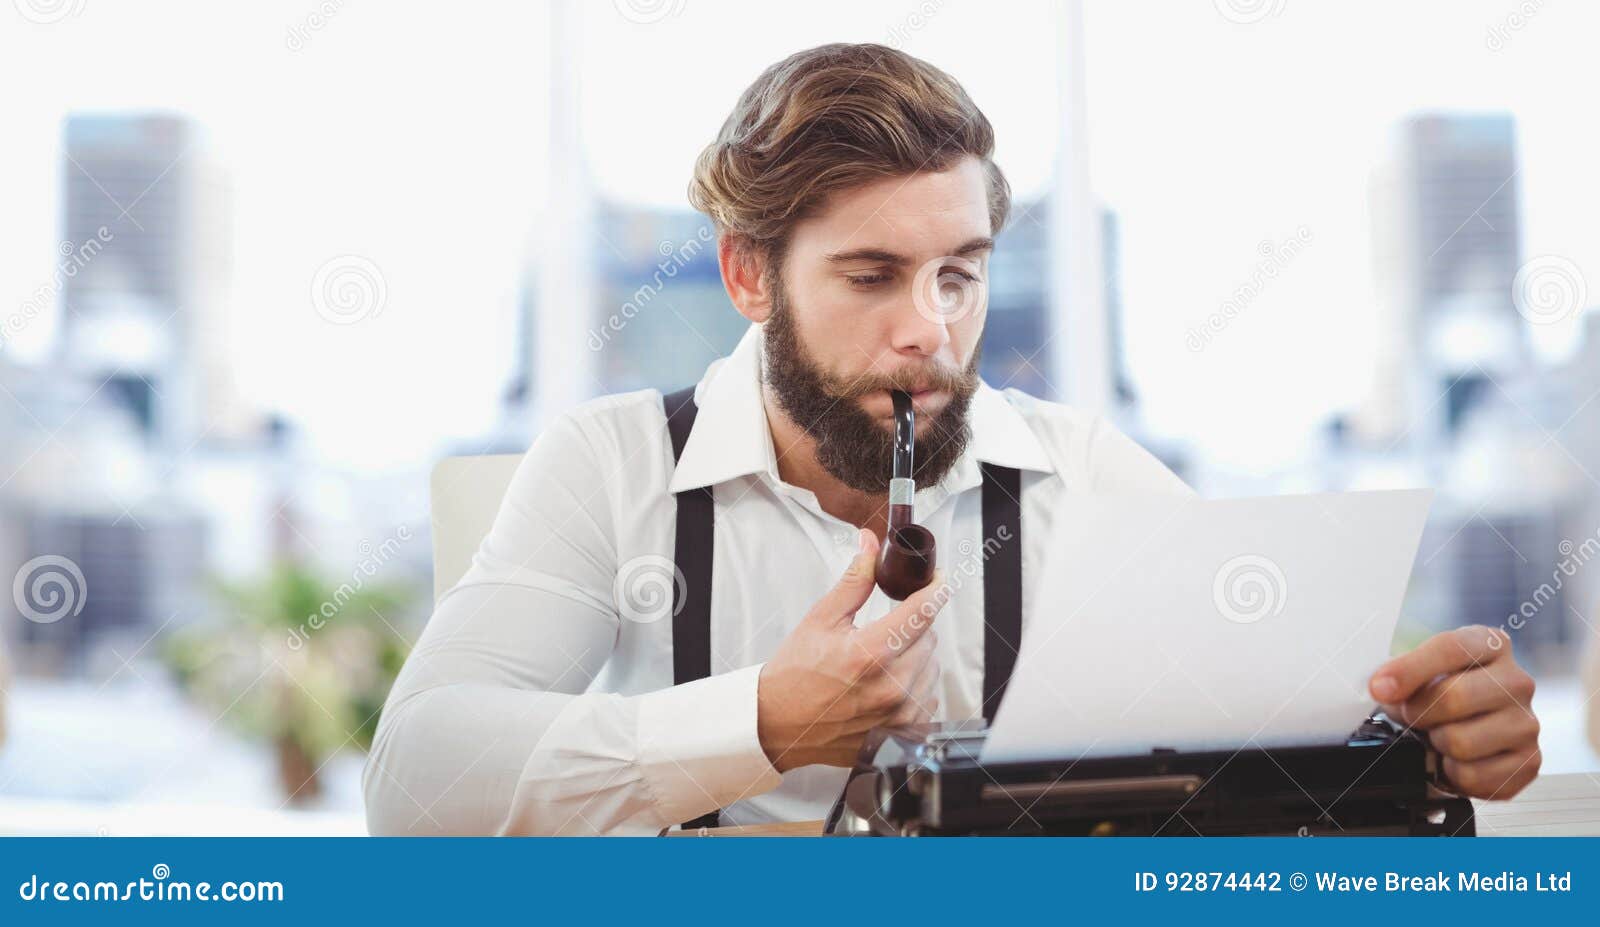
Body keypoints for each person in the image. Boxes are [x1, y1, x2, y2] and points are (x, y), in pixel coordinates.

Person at [363, 43, 1540, 836]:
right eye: (871, 275)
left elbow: (1293, 733)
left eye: (959, 277)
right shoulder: (614, 464)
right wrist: (757, 726)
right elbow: (417, 780)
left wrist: (1434, 738)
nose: (929, 329)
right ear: (746, 275)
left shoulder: (1078, 470)